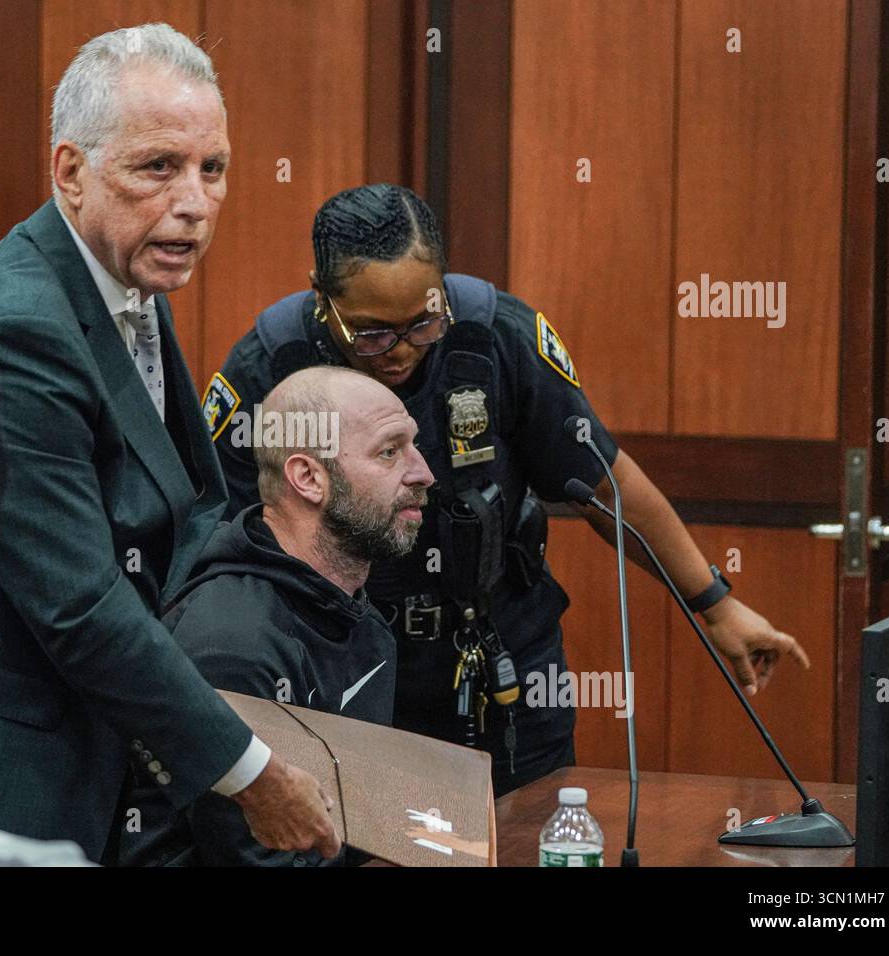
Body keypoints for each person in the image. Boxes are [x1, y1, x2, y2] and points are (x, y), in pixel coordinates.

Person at [0, 23, 339, 867]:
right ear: (71, 172)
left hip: (33, 767)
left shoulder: (123, 283)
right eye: (158, 167)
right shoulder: (17, 330)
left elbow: (184, 517)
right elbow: (81, 606)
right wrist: (251, 774)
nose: (193, 200)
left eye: (212, 168)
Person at [204, 183, 811, 796]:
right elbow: (214, 546)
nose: (401, 351)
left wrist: (713, 602)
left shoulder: (495, 339)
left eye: (421, 323)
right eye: (371, 334)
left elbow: (602, 483)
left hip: (502, 667)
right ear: (321, 296)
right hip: (343, 680)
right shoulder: (268, 369)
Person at [121, 366, 434, 866]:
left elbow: (363, 826)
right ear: (309, 478)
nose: (424, 473)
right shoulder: (232, 645)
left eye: (413, 446)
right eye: (390, 451)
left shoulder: (357, 615)